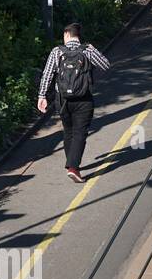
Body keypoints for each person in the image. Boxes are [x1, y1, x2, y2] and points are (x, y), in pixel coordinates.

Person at [37, 22, 111, 183]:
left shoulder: (57, 51)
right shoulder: (87, 50)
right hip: (84, 99)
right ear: (78, 35)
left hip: (62, 99)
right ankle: (73, 167)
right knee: (80, 132)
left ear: (66, 34)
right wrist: (92, 50)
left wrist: (42, 96)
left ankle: (71, 163)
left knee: (68, 130)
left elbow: (47, 75)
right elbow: (106, 65)